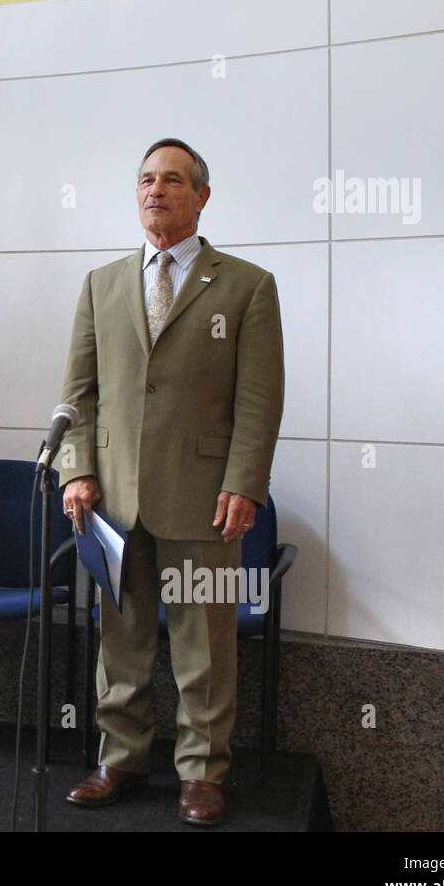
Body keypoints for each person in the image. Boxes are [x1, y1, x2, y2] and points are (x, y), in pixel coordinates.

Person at [59, 138, 284, 826]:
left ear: (202, 196)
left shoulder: (247, 285)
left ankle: (201, 773)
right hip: (115, 503)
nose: (157, 190)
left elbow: (259, 397)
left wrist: (245, 482)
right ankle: (119, 759)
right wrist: (78, 469)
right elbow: (79, 391)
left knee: (204, 648)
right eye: (147, 180)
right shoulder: (102, 283)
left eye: (174, 180)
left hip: (206, 502)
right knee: (120, 641)